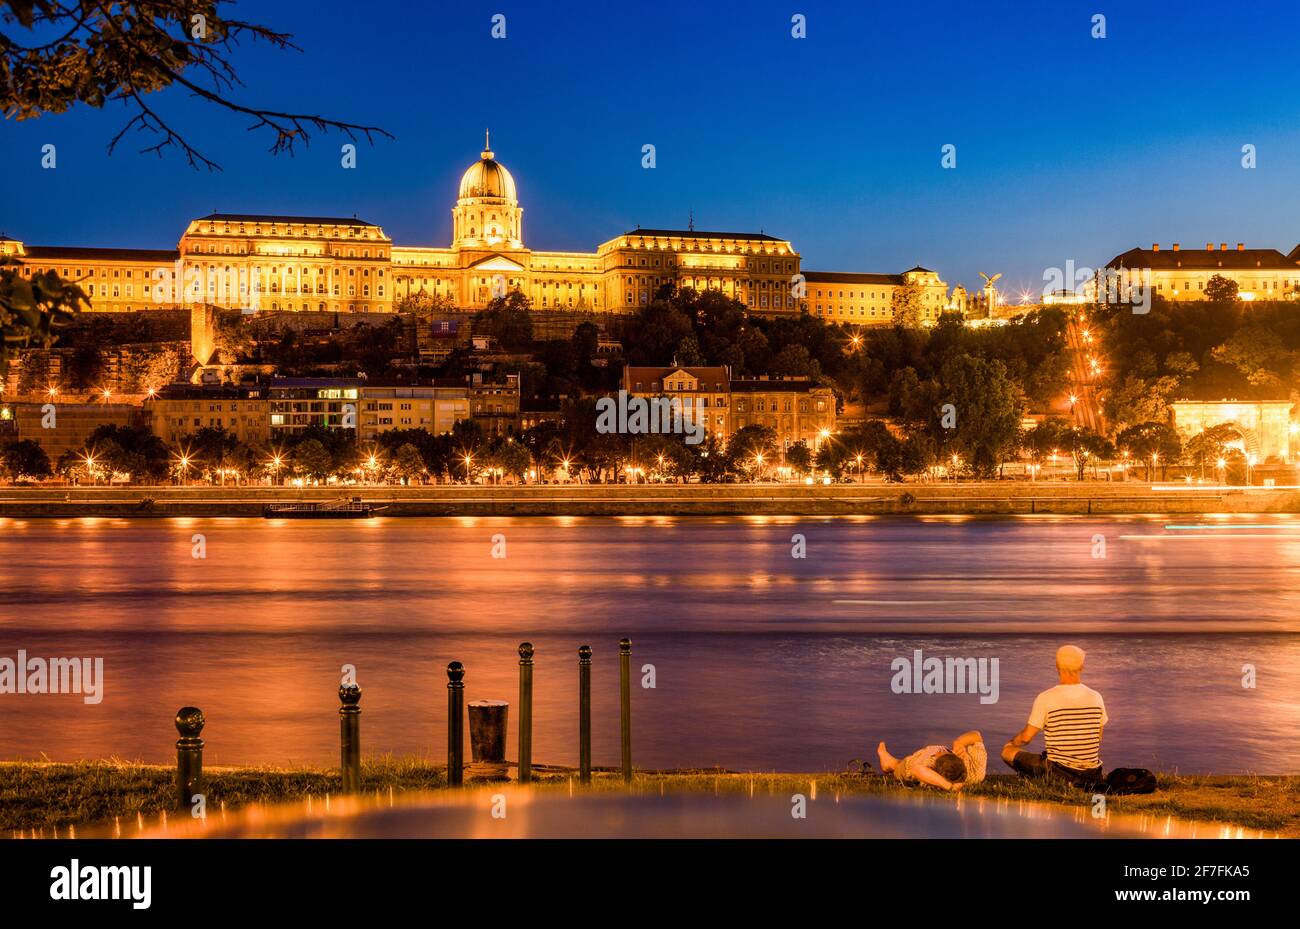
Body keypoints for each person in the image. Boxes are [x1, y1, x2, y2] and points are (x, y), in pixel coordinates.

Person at [1002, 644, 1107, 787]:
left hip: (1058, 772)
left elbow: (1026, 737)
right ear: (1082, 667)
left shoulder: (1046, 697)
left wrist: (1011, 743)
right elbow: (1098, 736)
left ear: (1057, 666)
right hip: (1092, 774)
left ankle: (1040, 780)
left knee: (1007, 752)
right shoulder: (1096, 697)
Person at [877, 730, 987, 791]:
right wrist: (960, 742)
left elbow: (916, 769)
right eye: (948, 753)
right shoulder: (976, 771)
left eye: (937, 756)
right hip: (932, 758)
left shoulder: (932, 777)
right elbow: (977, 735)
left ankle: (889, 764)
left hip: (913, 763)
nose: (939, 752)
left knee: (902, 766)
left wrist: (949, 786)